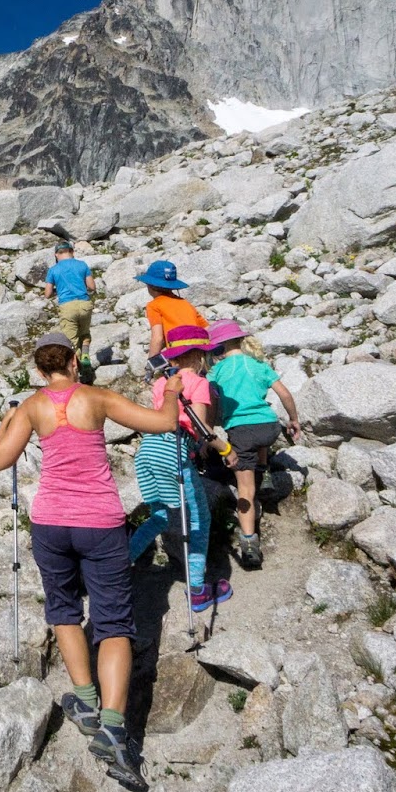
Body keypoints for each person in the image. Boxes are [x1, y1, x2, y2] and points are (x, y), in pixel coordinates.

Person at [0, 332, 185, 792]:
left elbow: (0, 460)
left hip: (52, 524)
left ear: (40, 371)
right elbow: (162, 423)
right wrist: (173, 394)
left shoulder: (33, 407)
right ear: (75, 362)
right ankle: (114, 729)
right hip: (100, 522)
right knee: (114, 621)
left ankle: (84, 701)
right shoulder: (97, 398)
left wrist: (7, 422)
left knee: (63, 610)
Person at [127, 325, 234, 612]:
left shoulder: (162, 383)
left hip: (148, 450)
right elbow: (200, 428)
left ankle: (121, 567)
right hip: (173, 451)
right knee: (200, 520)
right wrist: (222, 448)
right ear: (200, 355)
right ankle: (197, 589)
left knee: (159, 516)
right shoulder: (198, 383)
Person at [206, 319, 300, 570]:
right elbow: (285, 394)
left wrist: (210, 430)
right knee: (260, 436)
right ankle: (264, 470)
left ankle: (249, 544)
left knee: (246, 491)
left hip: (241, 431)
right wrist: (293, 419)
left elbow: (212, 405)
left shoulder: (217, 371)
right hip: (269, 428)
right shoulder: (258, 364)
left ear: (220, 348)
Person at [135, 261, 206, 357]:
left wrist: (151, 363)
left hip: (179, 355)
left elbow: (158, 338)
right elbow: (207, 329)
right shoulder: (186, 303)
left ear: (149, 285)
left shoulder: (154, 305)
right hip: (199, 353)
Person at [42, 243, 96, 367]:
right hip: (84, 304)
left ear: (56, 254)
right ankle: (86, 355)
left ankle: (77, 368)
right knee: (84, 333)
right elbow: (92, 287)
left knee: (71, 341)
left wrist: (58, 289)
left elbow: (47, 294)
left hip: (67, 306)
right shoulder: (82, 265)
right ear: (72, 252)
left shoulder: (54, 270)